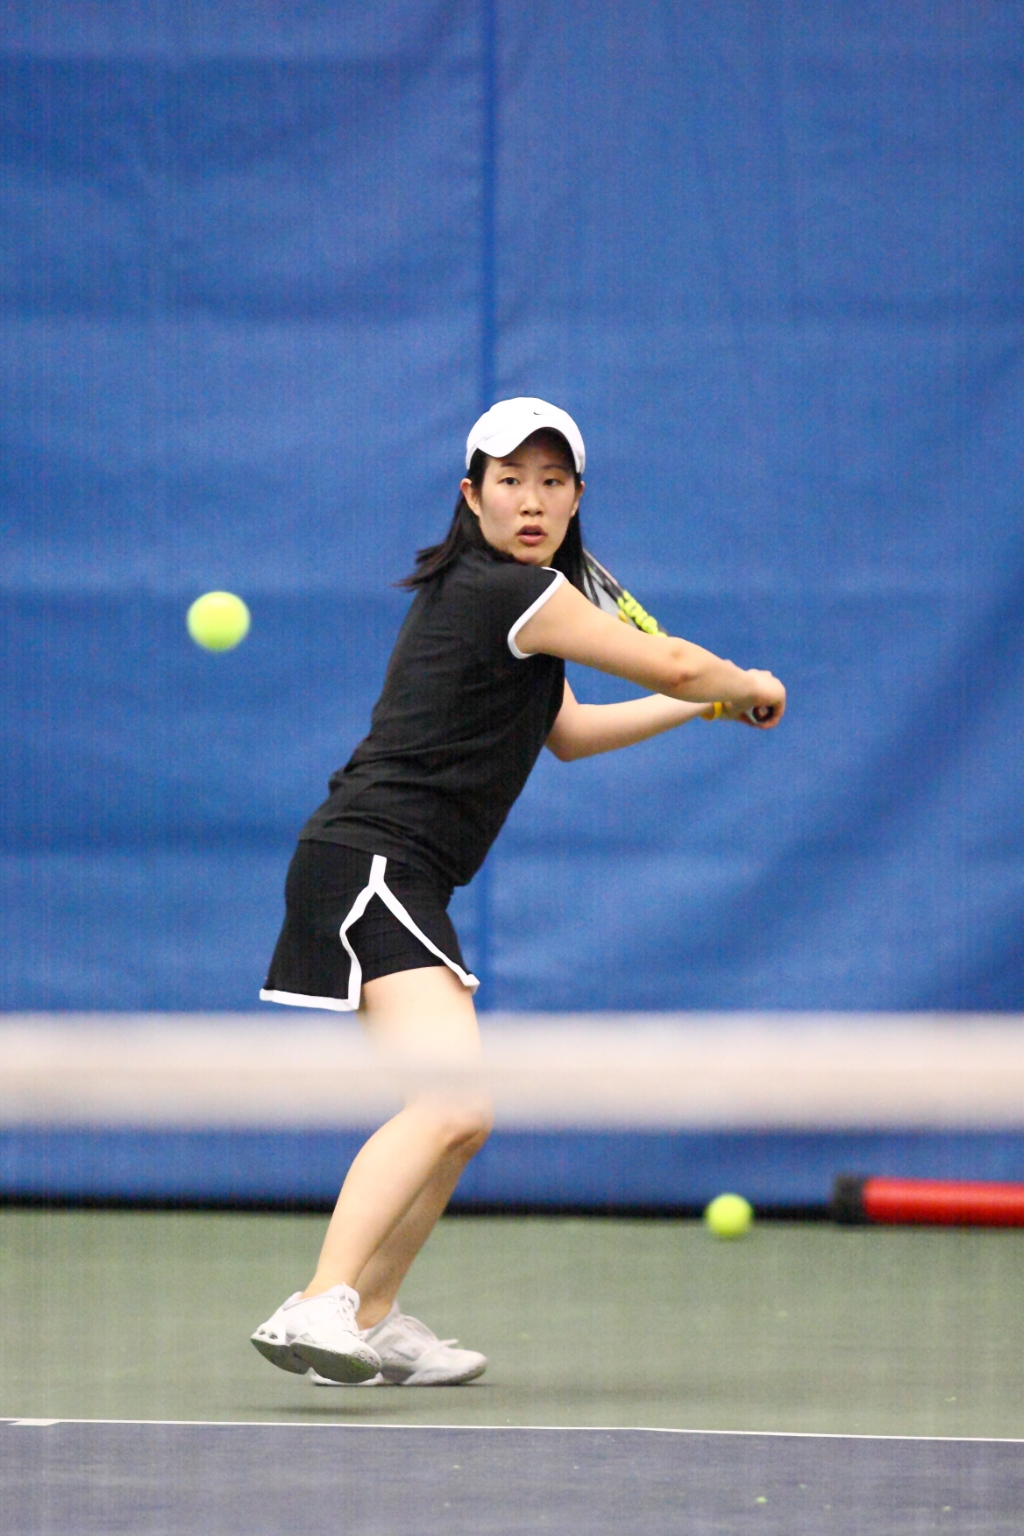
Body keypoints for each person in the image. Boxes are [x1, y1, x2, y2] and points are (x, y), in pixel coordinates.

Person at [251, 397, 786, 1387]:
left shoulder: (520, 601)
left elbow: (570, 734)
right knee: (451, 1102)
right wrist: (740, 681)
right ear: (473, 495)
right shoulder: (507, 593)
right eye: (509, 481)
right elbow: (669, 658)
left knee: (460, 1110)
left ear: (576, 496)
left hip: (394, 868)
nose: (530, 501)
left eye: (550, 482)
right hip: (372, 861)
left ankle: (372, 1315)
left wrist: (700, 707)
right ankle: (316, 1304)